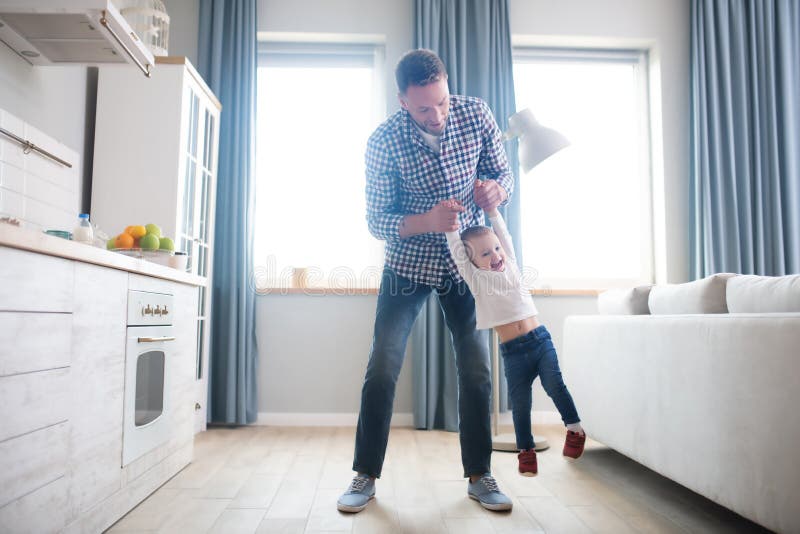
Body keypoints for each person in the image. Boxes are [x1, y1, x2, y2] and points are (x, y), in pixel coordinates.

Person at [337, 49, 515, 513]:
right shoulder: (382, 143)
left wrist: (496, 189)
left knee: (476, 366)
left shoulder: (476, 114)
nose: (436, 115)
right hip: (407, 265)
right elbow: (378, 221)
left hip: (468, 262)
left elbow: (502, 175)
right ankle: (364, 474)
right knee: (383, 366)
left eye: (442, 102)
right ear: (402, 101)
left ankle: (481, 474)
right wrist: (428, 220)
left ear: (447, 87)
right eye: (423, 108)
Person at [443, 192, 586, 476]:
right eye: (486, 254)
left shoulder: (510, 263)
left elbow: (503, 234)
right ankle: (526, 451)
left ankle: (574, 429)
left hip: (540, 341)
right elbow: (458, 253)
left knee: (555, 385)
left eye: (496, 249)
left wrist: (493, 211)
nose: (495, 256)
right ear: (473, 262)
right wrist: (451, 227)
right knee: (521, 405)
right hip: (513, 353)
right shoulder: (475, 278)